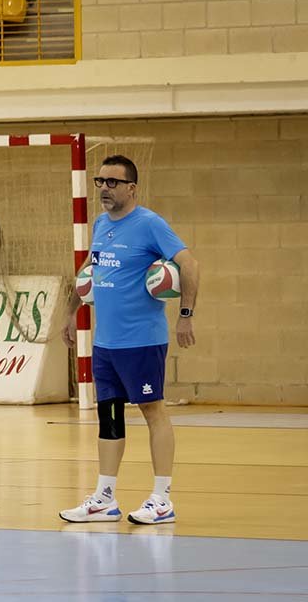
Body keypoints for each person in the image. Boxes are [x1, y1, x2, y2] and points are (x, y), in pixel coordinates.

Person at [60, 154, 200, 526]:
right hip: (106, 342)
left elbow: (189, 263)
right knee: (108, 416)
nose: (104, 188)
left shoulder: (150, 224)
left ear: (131, 188)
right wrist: (72, 311)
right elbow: (89, 269)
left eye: (112, 182)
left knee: (153, 410)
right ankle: (105, 498)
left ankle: (162, 499)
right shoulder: (101, 224)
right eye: (99, 181)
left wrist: (186, 315)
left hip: (141, 340)